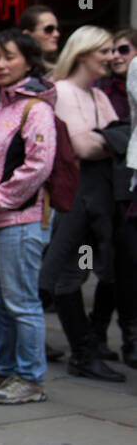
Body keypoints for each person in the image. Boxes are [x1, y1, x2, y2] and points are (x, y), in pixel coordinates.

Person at [0, 30, 58, 403]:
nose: (0, 65)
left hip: (20, 219)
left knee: (21, 302)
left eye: (9, 57)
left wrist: (1, 199)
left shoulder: (36, 108)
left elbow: (39, 164)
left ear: (29, 61)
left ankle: (30, 378)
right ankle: (4, 370)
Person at [39, 26, 123, 381]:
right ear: (84, 53)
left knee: (89, 272)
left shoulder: (99, 97)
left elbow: (117, 139)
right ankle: (83, 351)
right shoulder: (60, 92)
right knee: (63, 276)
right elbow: (85, 148)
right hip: (72, 198)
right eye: (104, 51)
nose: (111, 58)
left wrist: (107, 139)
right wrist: (112, 139)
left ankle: (86, 349)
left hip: (100, 199)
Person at [90, 26, 137, 363]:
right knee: (113, 264)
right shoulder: (100, 91)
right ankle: (100, 334)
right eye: (112, 51)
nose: (116, 57)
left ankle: (126, 337)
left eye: (123, 50)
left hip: (128, 188)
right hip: (108, 191)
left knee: (125, 265)